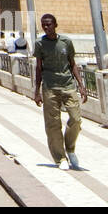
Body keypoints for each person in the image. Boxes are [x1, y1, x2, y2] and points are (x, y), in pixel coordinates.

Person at [33, 13, 87, 170]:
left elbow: (72, 64)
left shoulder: (66, 42)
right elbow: (38, 67)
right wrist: (37, 91)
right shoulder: (40, 44)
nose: (46, 27)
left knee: (76, 119)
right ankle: (60, 157)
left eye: (49, 24)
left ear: (55, 25)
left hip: (68, 85)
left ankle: (70, 148)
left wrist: (81, 86)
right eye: (43, 25)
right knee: (53, 124)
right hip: (50, 87)